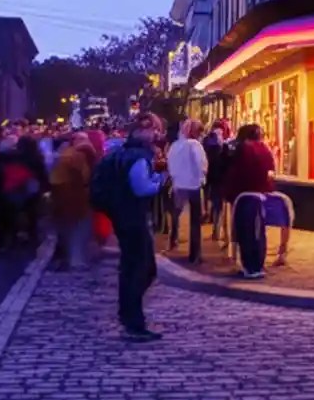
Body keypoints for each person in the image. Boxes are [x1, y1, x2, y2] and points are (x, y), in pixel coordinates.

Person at [94, 113, 165, 341]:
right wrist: (161, 180)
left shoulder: (120, 153)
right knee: (141, 268)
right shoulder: (138, 156)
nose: (157, 134)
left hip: (121, 216)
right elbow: (141, 188)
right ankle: (133, 319)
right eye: (155, 130)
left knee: (133, 267)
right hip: (132, 217)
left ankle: (129, 314)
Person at [223, 124, 276, 279]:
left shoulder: (243, 149)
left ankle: (249, 266)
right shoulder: (265, 149)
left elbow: (236, 172)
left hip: (243, 195)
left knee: (245, 230)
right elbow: (270, 170)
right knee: (258, 230)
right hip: (260, 195)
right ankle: (257, 264)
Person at [50, 134, 98, 270]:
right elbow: (85, 176)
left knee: (67, 229)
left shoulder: (63, 153)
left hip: (62, 197)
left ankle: (67, 257)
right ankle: (76, 260)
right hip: (77, 197)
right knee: (79, 230)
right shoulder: (79, 155)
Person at [166, 119, 208, 263]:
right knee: (195, 220)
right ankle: (195, 253)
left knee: (176, 214)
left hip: (179, 184)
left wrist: (175, 178)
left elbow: (170, 163)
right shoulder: (195, 145)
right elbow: (200, 164)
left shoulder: (175, 145)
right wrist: (202, 177)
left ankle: (173, 239)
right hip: (194, 185)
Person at [203, 122, 233, 245]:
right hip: (221, 180)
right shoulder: (224, 147)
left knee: (217, 206)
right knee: (221, 207)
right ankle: (223, 234)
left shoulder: (209, 144)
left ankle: (217, 232)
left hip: (214, 179)